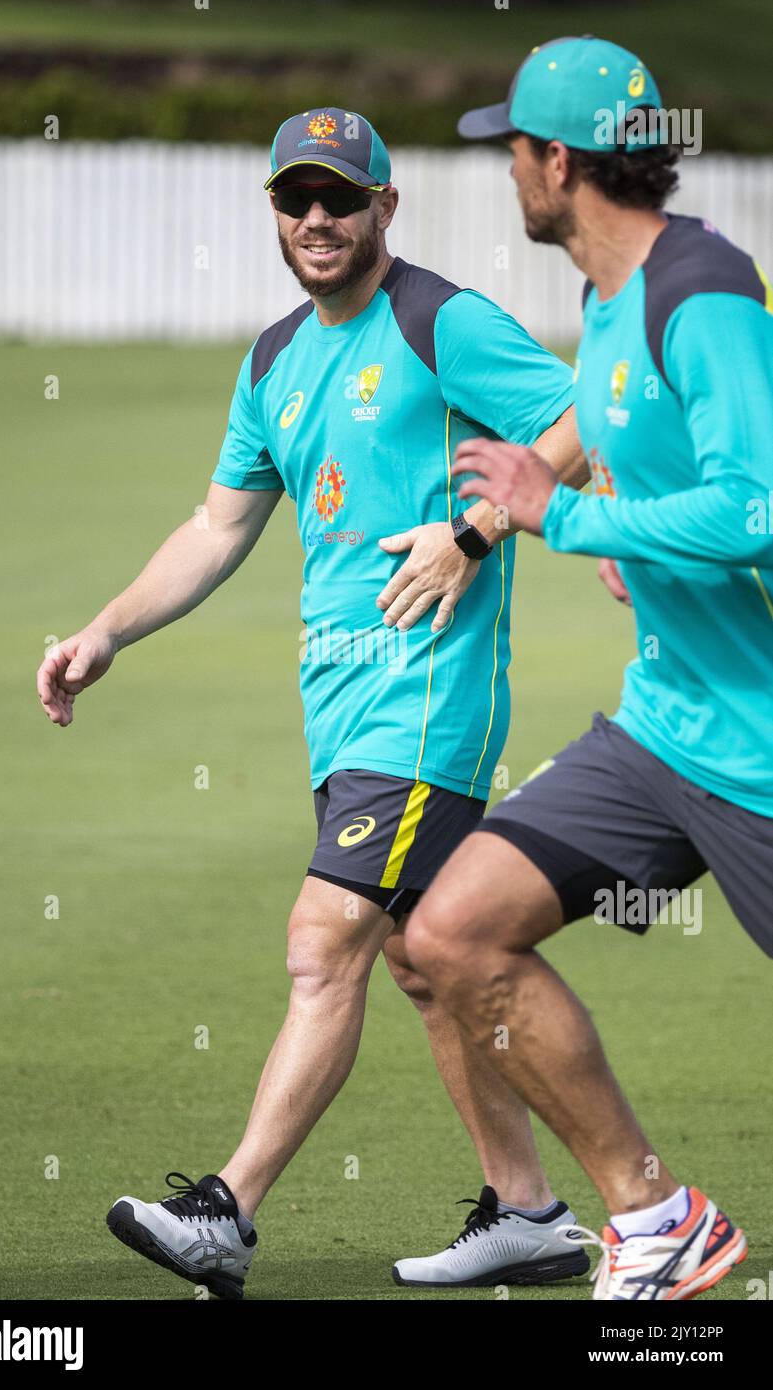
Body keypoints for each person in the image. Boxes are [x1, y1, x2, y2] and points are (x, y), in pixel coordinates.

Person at [37, 106, 588, 1299]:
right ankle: (530, 1209)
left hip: (427, 700)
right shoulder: (273, 358)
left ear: (386, 207)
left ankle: (225, 1213)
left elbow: (580, 419)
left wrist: (475, 529)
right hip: (337, 711)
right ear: (276, 214)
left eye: (340, 197)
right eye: (297, 199)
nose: (318, 219)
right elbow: (216, 524)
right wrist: (105, 630)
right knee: (427, 959)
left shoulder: (442, 321)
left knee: (323, 939)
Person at [404, 36, 773, 1300]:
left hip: (764, 752)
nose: (508, 167)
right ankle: (657, 1216)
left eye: (514, 147)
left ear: (558, 162)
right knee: (450, 933)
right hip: (665, 730)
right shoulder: (615, 299)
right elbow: (635, 451)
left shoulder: (701, 290)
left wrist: (569, 522)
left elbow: (760, 507)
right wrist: (592, 530)